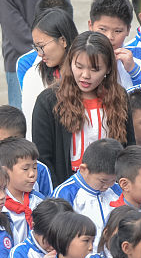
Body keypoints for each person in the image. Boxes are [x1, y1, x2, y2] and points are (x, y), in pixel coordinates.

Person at [33, 31, 130, 185]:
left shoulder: (120, 97)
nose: (85, 75)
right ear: (70, 62)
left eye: (95, 69)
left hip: (111, 188)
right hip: (66, 189)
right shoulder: (48, 101)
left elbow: (128, 149)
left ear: (108, 69)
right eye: (79, 66)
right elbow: (43, 160)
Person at [22, 6, 79, 139]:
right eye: (36, 47)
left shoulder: (87, 73)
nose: (39, 53)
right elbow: (31, 131)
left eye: (42, 46)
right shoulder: (34, 77)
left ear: (63, 40)